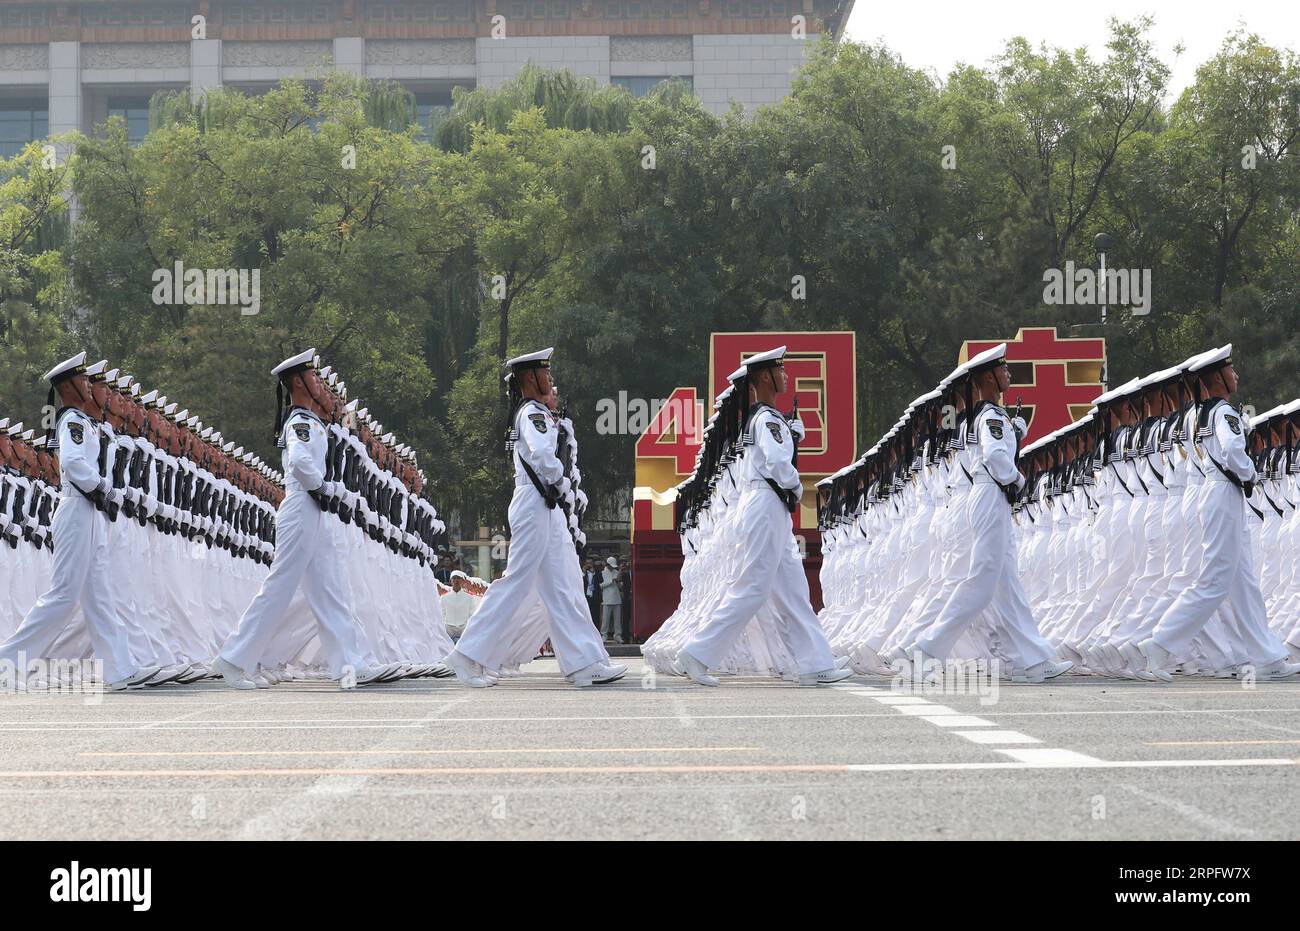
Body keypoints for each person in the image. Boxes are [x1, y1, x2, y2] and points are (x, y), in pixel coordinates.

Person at [443, 348, 625, 688]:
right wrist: (561, 480)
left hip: (546, 504)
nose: (551, 379)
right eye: (546, 373)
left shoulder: (536, 412)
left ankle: (584, 663)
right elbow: (542, 455)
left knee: (564, 585)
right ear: (530, 378)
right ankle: (466, 655)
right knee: (516, 582)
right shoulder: (532, 413)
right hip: (535, 500)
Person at [212, 349, 391, 690]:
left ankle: (349, 665)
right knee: (279, 587)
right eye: (313, 377)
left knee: (331, 590)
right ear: (298, 382)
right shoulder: (301, 422)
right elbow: (298, 461)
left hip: (314, 509)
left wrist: (324, 490)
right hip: (301, 506)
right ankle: (233, 659)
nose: (320, 383)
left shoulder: (311, 421)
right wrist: (323, 487)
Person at [676, 346, 852, 687]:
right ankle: (697, 654)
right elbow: (775, 462)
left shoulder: (768, 418)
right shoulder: (768, 418)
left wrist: (791, 435)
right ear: (765, 377)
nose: (785, 376)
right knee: (752, 588)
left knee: (794, 592)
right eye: (780, 371)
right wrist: (798, 488)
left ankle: (817, 663)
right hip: (766, 504)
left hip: (769, 506)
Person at [0, 353, 159, 692]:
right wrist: (103, 486)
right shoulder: (71, 420)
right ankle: (7, 663)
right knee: (63, 595)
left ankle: (120, 669)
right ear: (68, 387)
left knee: (101, 595)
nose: (91, 385)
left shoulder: (82, 422)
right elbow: (72, 465)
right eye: (84, 380)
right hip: (76, 509)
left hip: (90, 513)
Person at [441, 570, 479, 642]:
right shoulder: (444, 598)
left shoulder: (469, 597)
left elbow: (472, 614)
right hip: (448, 628)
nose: (456, 580)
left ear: (462, 581)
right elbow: (442, 614)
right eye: (454, 578)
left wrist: (467, 626)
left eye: (458, 578)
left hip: (464, 628)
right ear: (450, 581)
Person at [599, 555, 622, 643]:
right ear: (607, 565)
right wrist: (611, 581)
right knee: (605, 620)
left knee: (617, 620)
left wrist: (618, 582)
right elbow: (600, 586)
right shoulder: (602, 573)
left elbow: (620, 586)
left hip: (616, 598)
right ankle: (604, 635)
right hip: (607, 599)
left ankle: (617, 635)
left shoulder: (616, 572)